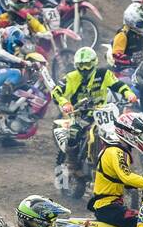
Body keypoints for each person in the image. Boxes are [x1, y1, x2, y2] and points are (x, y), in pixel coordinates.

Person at [52, 45, 138, 174]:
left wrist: (129, 94)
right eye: (81, 65)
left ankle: (124, 160)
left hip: (104, 113)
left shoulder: (104, 74)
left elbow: (119, 85)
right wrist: (65, 103)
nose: (84, 68)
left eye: (87, 64)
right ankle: (72, 163)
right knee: (74, 133)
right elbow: (56, 92)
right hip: (81, 114)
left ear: (94, 63)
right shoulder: (71, 77)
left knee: (122, 133)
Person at [91, 111, 143, 227]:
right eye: (141, 136)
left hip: (110, 205)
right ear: (129, 133)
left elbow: (125, 181)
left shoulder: (118, 150)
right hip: (107, 207)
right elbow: (126, 177)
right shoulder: (116, 151)